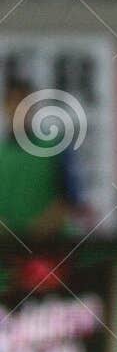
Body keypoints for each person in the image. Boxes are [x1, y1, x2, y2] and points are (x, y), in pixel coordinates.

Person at [0, 81, 75, 241]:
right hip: (7, 251)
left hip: (50, 246)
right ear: (5, 106)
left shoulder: (56, 147)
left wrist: (43, 227)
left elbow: (70, 197)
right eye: (14, 102)